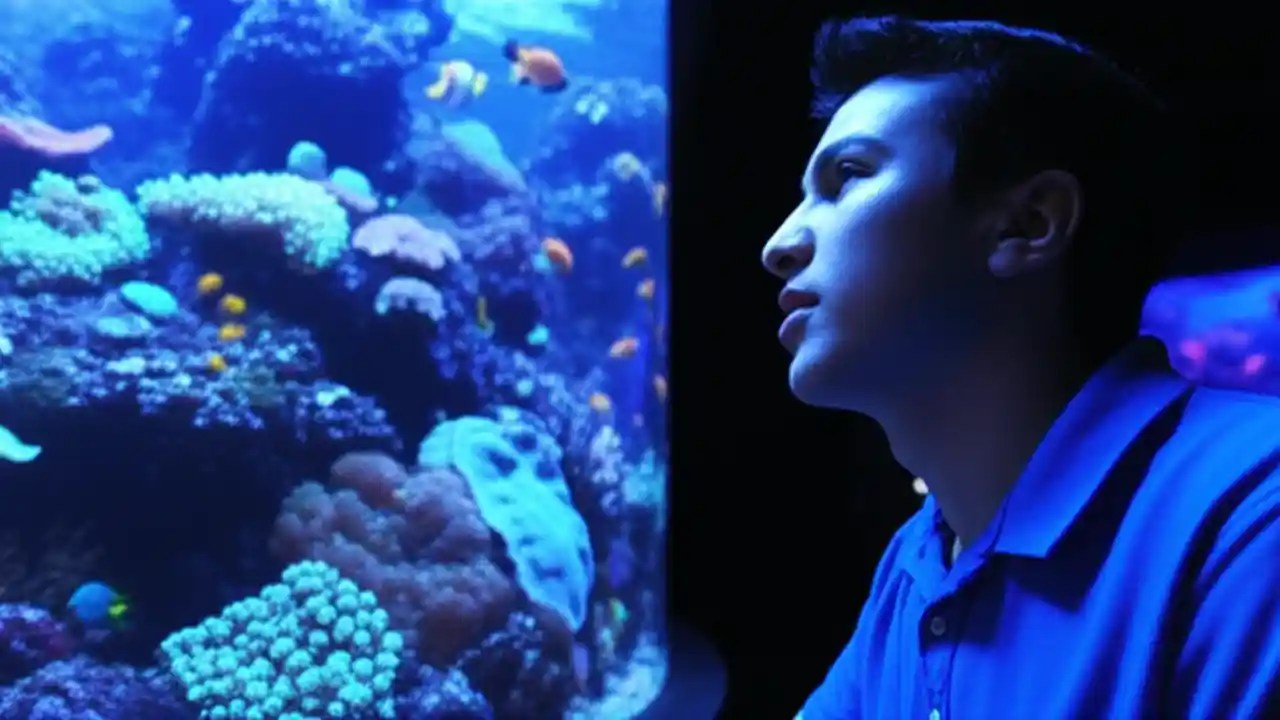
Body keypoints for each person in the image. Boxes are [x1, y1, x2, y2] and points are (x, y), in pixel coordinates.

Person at [760, 14, 1280, 720]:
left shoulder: (1250, 520)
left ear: (1029, 224)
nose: (779, 243)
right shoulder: (920, 565)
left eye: (847, 177)